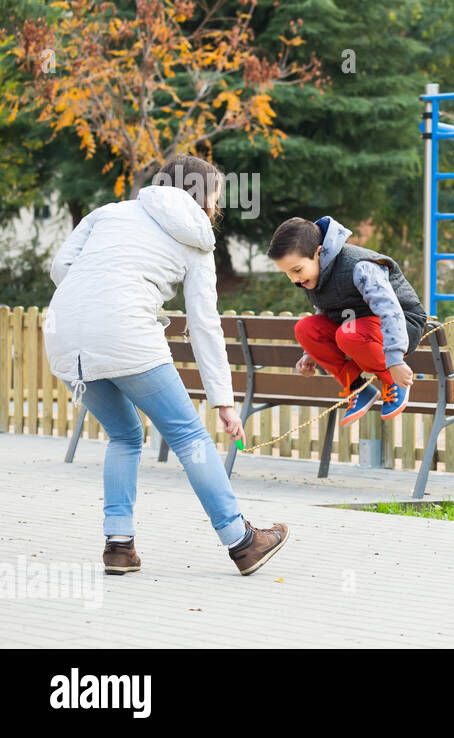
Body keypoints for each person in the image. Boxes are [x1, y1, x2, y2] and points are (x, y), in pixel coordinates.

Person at [44, 154, 288, 576]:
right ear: (201, 196)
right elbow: (205, 325)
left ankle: (119, 546)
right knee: (189, 434)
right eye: (215, 197)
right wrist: (224, 402)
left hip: (64, 334)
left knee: (124, 436)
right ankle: (242, 541)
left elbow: (60, 268)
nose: (217, 207)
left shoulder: (108, 213)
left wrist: (97, 301)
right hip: (127, 333)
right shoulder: (197, 240)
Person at [268, 216, 428, 425]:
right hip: (357, 327)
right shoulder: (315, 276)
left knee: (348, 334)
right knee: (305, 329)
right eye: (287, 273)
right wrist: (311, 352)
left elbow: (389, 309)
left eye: (297, 270)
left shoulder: (360, 267)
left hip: (402, 324)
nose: (294, 279)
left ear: (318, 253)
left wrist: (395, 359)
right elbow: (325, 310)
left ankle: (393, 382)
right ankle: (357, 388)